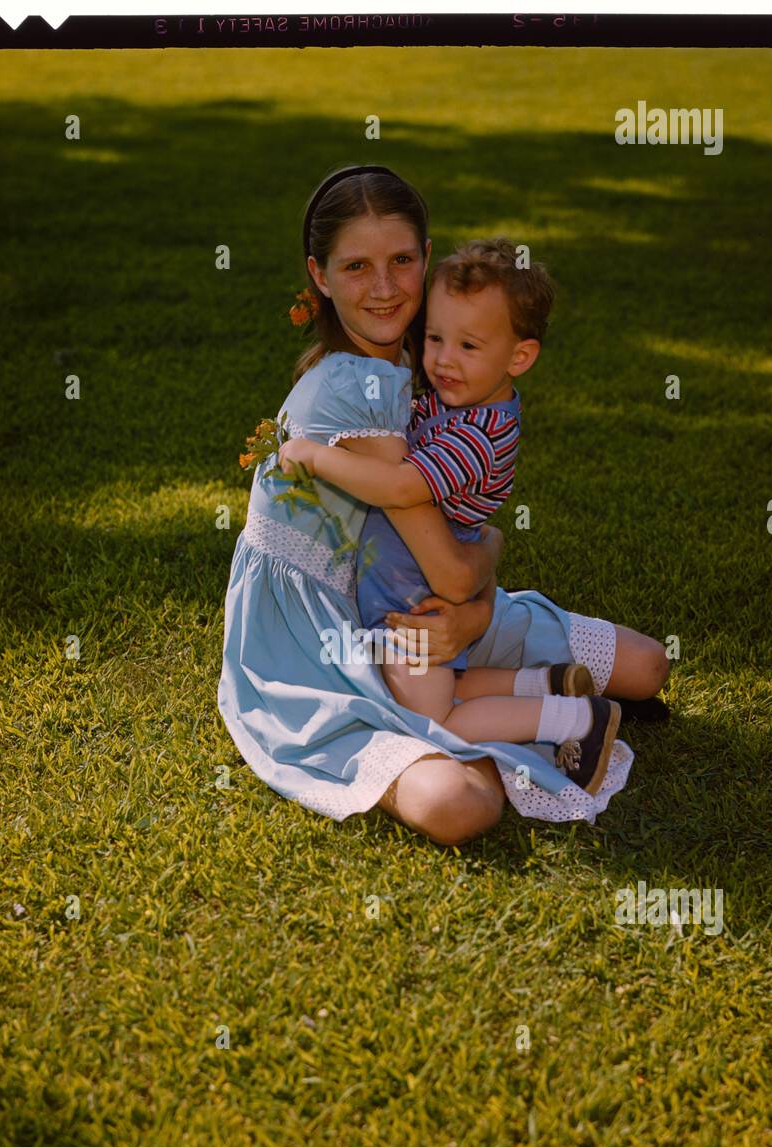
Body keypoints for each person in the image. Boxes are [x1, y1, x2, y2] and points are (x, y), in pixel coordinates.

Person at [217, 164, 668, 845]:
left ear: (427, 259)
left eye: (401, 261)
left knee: (648, 666)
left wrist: (475, 604)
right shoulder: (358, 389)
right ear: (320, 275)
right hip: (326, 632)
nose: (384, 287)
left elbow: (457, 560)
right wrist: (477, 586)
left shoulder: (431, 355)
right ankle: (532, 718)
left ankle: (533, 693)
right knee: (462, 805)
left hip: (414, 591)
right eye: (356, 266)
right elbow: (456, 571)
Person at [277, 236, 620, 797]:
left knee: (435, 719)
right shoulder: (459, 400)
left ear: (519, 358)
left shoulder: (477, 436)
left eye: (467, 345)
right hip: (409, 577)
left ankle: (576, 720)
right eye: (435, 338)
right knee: (443, 688)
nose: (442, 360)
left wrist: (316, 456)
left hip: (413, 591)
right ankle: (544, 685)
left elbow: (400, 487)